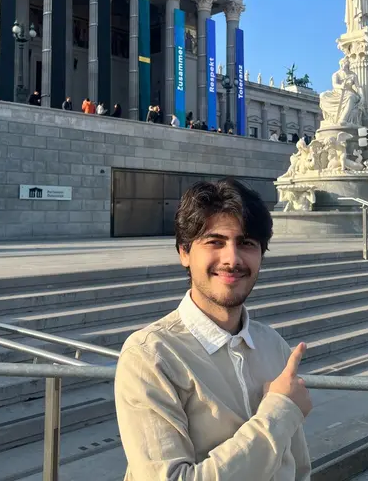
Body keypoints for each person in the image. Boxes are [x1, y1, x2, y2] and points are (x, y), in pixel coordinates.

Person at [115, 179, 311, 480]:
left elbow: (297, 466)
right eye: (215, 242)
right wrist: (279, 413)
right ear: (184, 252)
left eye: (246, 243)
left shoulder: (273, 345)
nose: (232, 259)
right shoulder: (151, 357)